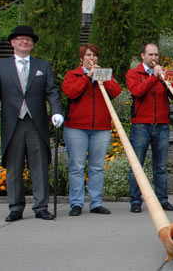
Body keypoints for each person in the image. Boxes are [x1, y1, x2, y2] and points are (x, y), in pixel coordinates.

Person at [0, 25, 63, 222]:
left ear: (32, 44)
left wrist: (57, 112)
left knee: (40, 166)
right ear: (12, 42)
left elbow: (51, 91)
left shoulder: (42, 66)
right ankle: (16, 207)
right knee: (14, 166)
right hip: (13, 123)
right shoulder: (1, 67)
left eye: (28, 40)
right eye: (20, 39)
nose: (24, 42)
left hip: (36, 123)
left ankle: (41, 206)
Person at [62, 43, 122, 216]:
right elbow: (71, 92)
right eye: (88, 55)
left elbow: (116, 91)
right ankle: (76, 203)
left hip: (101, 128)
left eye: (94, 56)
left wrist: (103, 78)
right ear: (82, 58)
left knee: (97, 167)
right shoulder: (72, 74)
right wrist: (87, 77)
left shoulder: (104, 74)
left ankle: (96, 203)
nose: (92, 59)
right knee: (77, 167)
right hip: (76, 128)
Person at [125, 42, 173, 213]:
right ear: (143, 56)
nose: (154, 58)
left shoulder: (163, 74)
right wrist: (153, 78)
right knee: (137, 165)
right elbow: (137, 91)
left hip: (162, 124)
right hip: (141, 124)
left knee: (161, 166)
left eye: (156, 55)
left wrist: (165, 79)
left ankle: (162, 200)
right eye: (150, 55)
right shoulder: (133, 73)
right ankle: (136, 201)